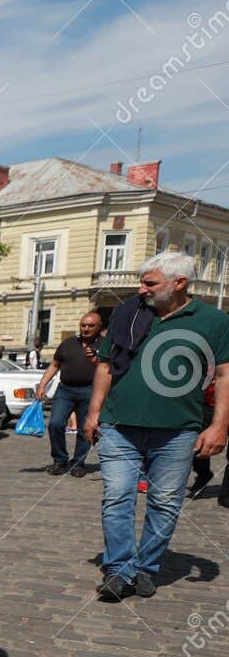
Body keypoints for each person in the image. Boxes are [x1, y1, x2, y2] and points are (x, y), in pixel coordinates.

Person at [86, 252, 229, 601]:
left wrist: (219, 425)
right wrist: (93, 412)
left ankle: (145, 567)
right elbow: (105, 366)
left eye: (149, 283)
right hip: (118, 425)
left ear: (178, 283)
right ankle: (120, 570)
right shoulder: (128, 313)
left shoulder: (213, 321)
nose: (141, 289)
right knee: (117, 497)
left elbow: (225, 374)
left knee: (164, 502)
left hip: (178, 430)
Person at [34, 311, 103, 476]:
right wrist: (42, 384)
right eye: (83, 325)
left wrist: (97, 360)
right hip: (65, 390)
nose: (85, 329)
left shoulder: (105, 344)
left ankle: (79, 463)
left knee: (84, 429)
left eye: (90, 326)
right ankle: (60, 460)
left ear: (99, 327)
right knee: (55, 423)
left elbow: (110, 369)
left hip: (90, 391)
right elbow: (54, 365)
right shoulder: (68, 343)